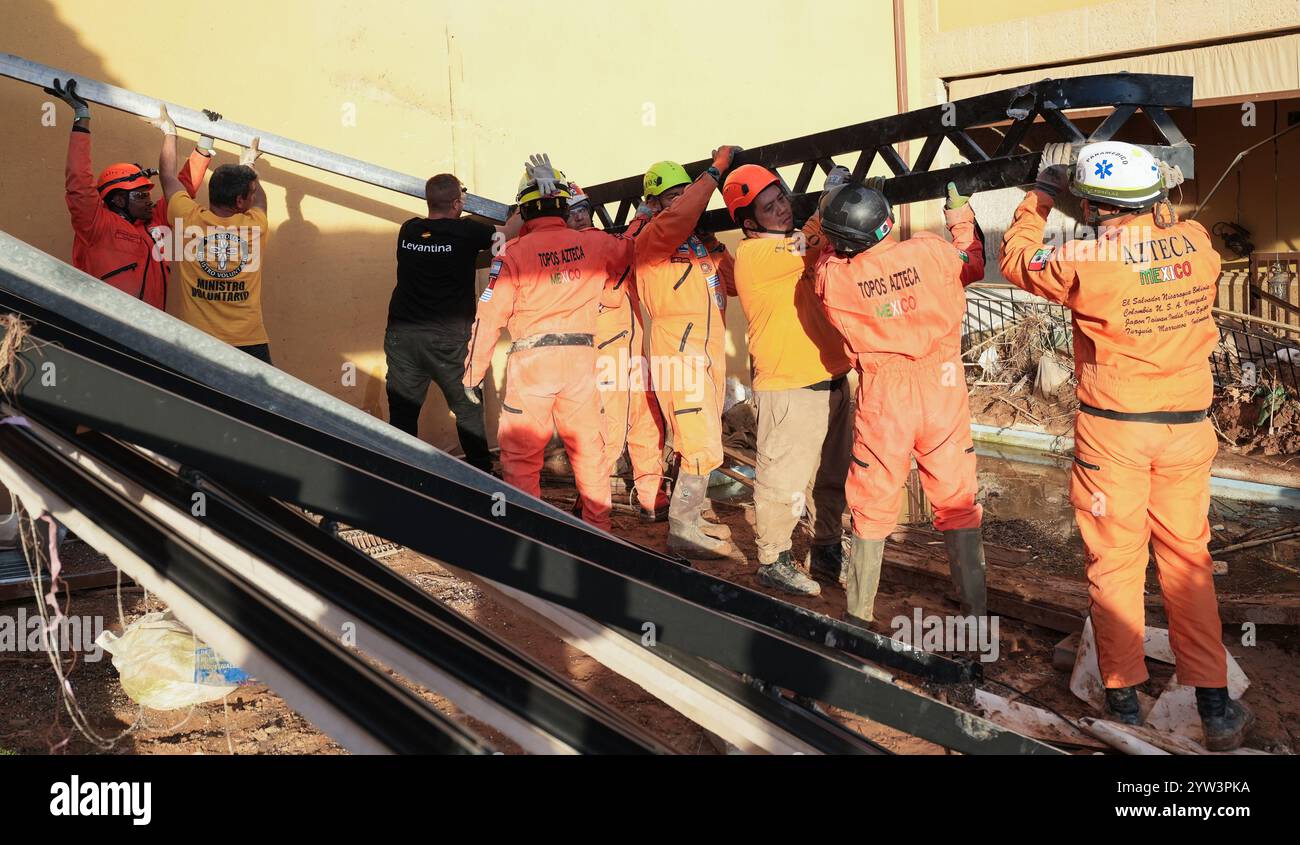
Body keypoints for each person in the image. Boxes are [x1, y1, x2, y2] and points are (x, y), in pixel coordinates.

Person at [1000, 141, 1252, 750]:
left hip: (1115, 431)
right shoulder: (1196, 243)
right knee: (1188, 561)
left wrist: (1040, 195)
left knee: (1115, 562)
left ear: (1091, 206)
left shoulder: (1085, 259)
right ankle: (1215, 709)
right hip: (1187, 429)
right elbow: (1164, 237)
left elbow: (1017, 261)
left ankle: (1123, 701)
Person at [814, 180, 986, 625]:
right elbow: (972, 262)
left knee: (872, 503)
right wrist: (960, 213)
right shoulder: (932, 251)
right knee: (956, 498)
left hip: (886, 397)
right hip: (942, 386)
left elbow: (822, 262)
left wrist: (830, 201)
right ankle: (974, 616)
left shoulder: (837, 280)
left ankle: (858, 617)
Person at [462, 156, 633, 531]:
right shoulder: (594, 243)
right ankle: (599, 532)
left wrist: (473, 374)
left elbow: (489, 316)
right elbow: (626, 255)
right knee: (590, 449)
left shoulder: (513, 255)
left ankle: (529, 535)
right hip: (581, 362)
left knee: (522, 456)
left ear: (523, 208)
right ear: (563, 204)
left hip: (531, 365)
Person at [725, 163, 855, 596]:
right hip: (789, 384)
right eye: (768, 206)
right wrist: (829, 201)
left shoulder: (796, 242)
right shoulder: (756, 255)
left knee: (831, 477)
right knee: (782, 479)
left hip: (832, 373)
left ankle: (827, 549)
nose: (781, 208)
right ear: (748, 222)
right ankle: (773, 558)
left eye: (781, 198)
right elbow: (810, 239)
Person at [631, 146, 741, 558]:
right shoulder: (652, 237)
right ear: (655, 203)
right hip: (678, 350)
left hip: (707, 351)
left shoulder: (695, 246)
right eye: (671, 196)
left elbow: (733, 285)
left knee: (703, 435)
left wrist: (716, 246)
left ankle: (690, 519)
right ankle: (681, 530)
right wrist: (715, 171)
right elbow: (681, 216)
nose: (680, 201)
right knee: (699, 440)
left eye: (684, 192)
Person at [45, 78, 212, 309]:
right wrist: (81, 115)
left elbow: (183, 186)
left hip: (148, 334)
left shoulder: (157, 220)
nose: (149, 201)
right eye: (141, 196)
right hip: (101, 329)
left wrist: (206, 139)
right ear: (118, 199)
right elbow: (79, 181)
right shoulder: (96, 224)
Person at [564, 185, 669, 521]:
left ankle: (652, 497)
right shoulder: (573, 252)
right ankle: (588, 507)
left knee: (647, 423)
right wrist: (640, 219)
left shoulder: (598, 245)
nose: (580, 215)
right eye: (572, 211)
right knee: (607, 435)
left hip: (632, 349)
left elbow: (623, 252)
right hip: (604, 355)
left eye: (583, 208)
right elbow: (619, 263)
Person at [385, 173, 498, 472]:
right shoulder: (467, 232)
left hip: (403, 336)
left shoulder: (408, 230)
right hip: (449, 342)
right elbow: (506, 233)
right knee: (468, 410)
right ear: (457, 203)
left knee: (403, 413)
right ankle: (483, 480)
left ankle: (401, 476)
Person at [157, 104, 272, 363]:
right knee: (260, 404)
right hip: (248, 342)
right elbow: (261, 202)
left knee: (197, 402)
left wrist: (169, 132)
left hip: (199, 342)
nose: (254, 195)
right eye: (251, 192)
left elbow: (166, 176)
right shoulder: (254, 227)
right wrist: (250, 164)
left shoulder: (187, 218)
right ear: (241, 201)